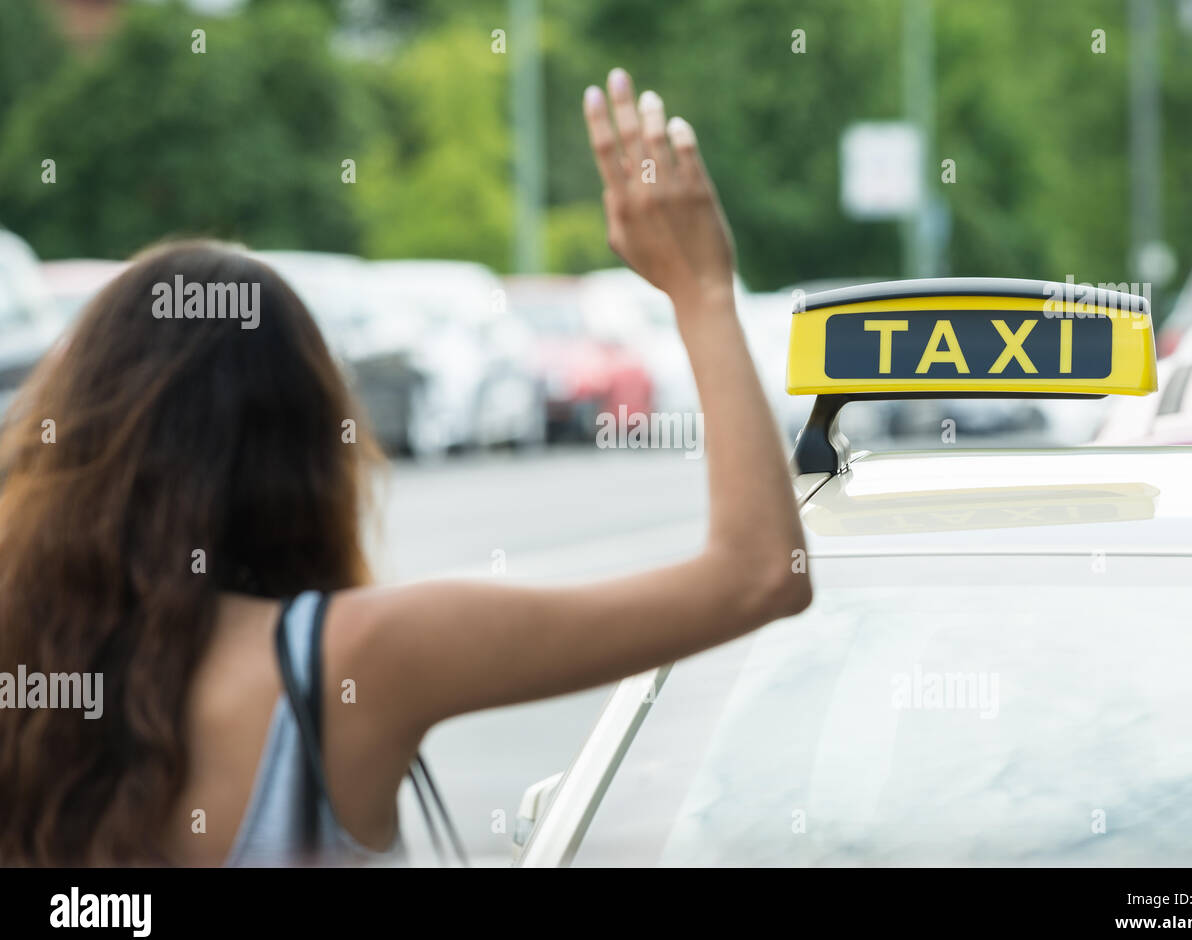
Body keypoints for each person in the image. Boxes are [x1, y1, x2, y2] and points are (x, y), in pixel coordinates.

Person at [0, 68, 810, 866]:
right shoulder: (351, 662)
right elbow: (760, 572)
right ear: (312, 447)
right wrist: (700, 287)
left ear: (78, 434)